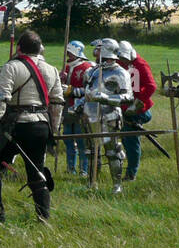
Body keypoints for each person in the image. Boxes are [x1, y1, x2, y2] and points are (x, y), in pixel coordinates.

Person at [0, 29, 63, 221]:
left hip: (15, 127)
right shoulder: (51, 69)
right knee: (37, 172)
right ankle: (43, 219)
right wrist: (54, 130)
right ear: (40, 49)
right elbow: (57, 103)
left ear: (19, 48)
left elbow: (0, 98)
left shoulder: (11, 67)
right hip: (41, 127)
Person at [82, 38, 133, 195]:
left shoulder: (120, 72)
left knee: (112, 152)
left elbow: (128, 98)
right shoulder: (94, 70)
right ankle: (92, 183)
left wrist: (105, 98)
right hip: (90, 116)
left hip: (109, 116)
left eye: (98, 49)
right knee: (91, 152)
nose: (95, 52)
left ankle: (117, 185)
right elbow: (87, 93)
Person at [115, 40, 157, 182]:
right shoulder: (120, 63)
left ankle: (131, 174)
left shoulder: (141, 65)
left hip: (137, 109)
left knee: (131, 142)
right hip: (123, 107)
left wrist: (138, 102)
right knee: (125, 142)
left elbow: (151, 86)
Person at [61, 40, 93, 177]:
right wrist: (61, 79)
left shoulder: (88, 67)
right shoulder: (66, 67)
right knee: (68, 139)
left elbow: (90, 91)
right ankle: (70, 169)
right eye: (67, 52)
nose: (68, 54)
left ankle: (83, 171)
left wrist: (71, 90)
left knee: (81, 141)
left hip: (81, 108)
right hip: (67, 108)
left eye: (70, 52)